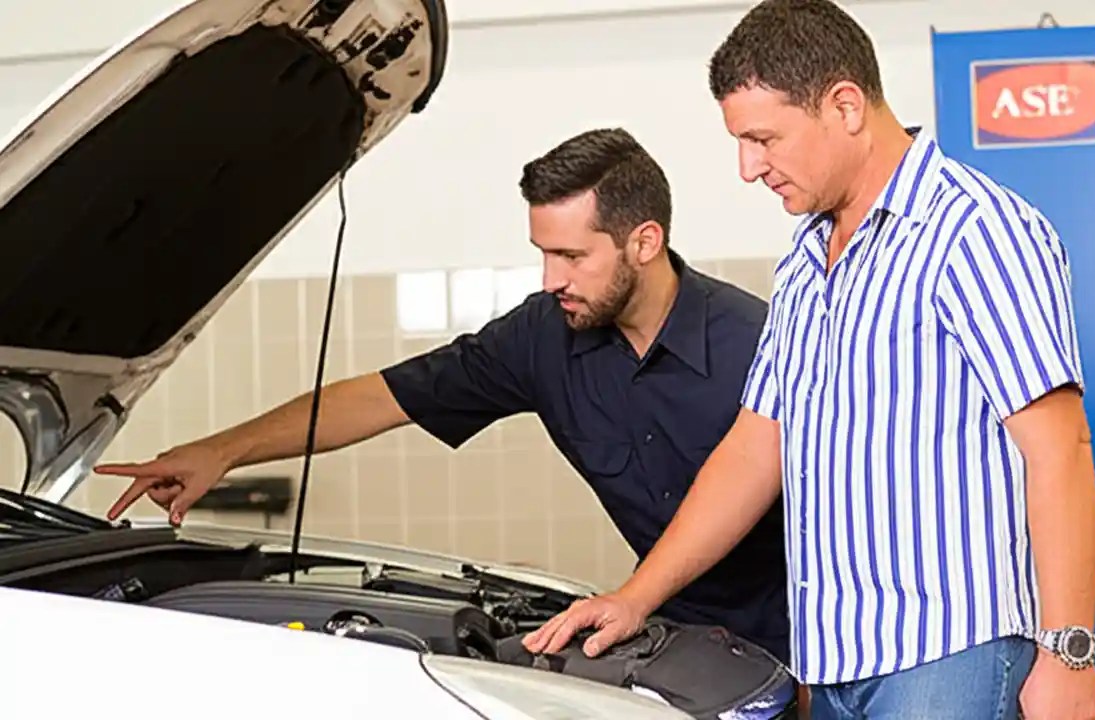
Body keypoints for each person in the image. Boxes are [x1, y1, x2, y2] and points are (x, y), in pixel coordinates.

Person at [521, 2, 1095, 720]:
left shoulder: (976, 232)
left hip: (950, 652)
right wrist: (635, 597)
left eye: (763, 138)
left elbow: (1060, 450)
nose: (748, 168)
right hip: (832, 661)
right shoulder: (804, 261)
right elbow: (755, 446)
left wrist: (1068, 654)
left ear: (846, 105)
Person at [94, 127, 793, 663]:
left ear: (645, 242)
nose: (551, 279)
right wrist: (221, 451)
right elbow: (381, 398)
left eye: (573, 256)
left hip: (810, 647)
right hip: (676, 644)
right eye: (542, 252)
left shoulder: (757, 342)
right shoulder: (542, 338)